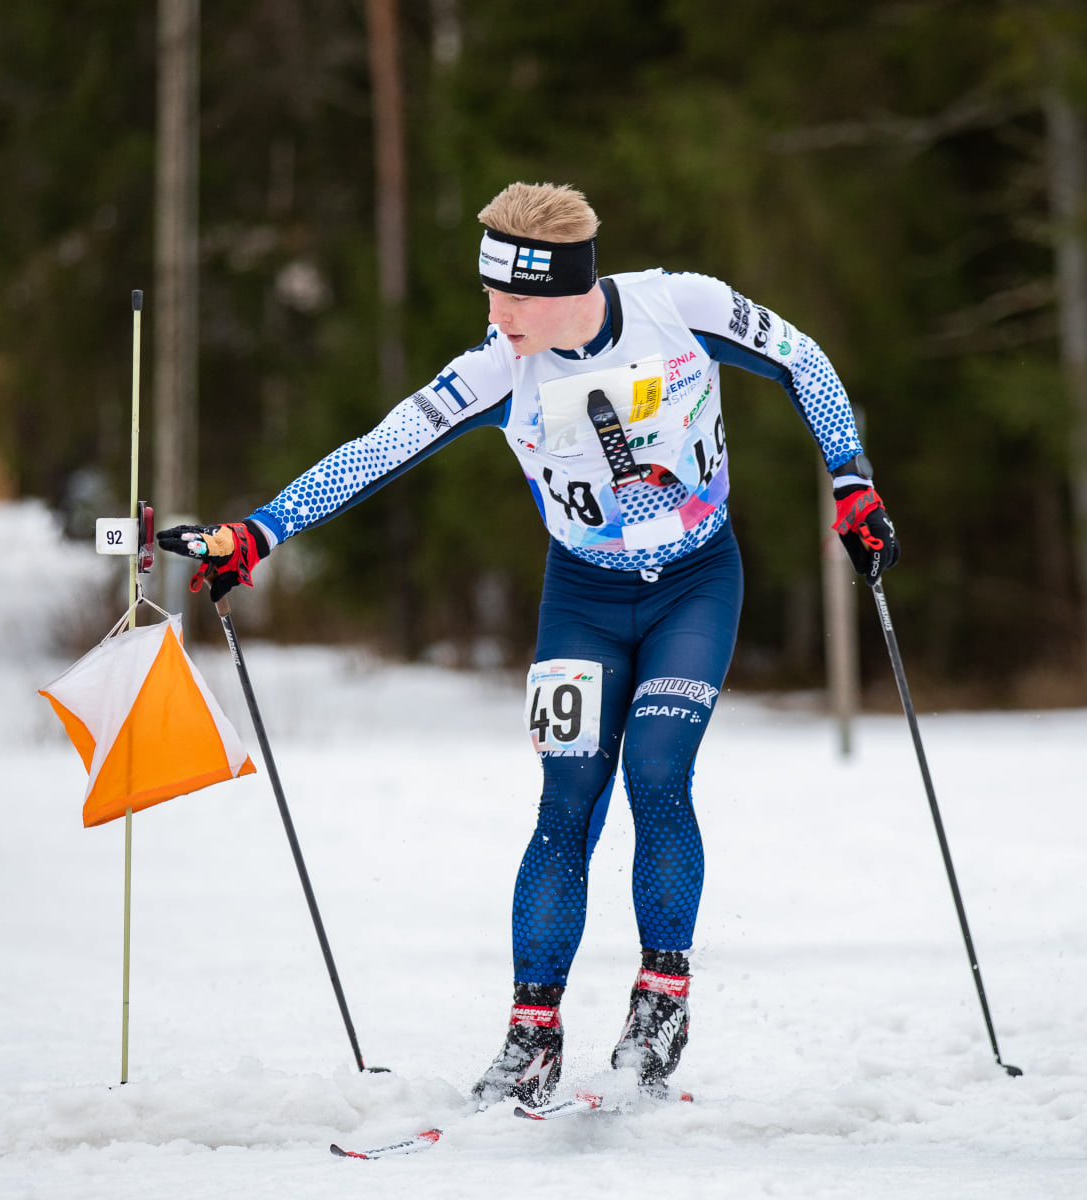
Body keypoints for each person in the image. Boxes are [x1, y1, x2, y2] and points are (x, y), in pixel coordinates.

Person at [158, 182, 897, 1107]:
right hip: (581, 598)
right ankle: (531, 1034)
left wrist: (851, 480)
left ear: (570, 287)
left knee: (659, 771)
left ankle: (660, 1003)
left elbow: (807, 362)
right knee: (568, 797)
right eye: (490, 294)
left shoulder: (682, 306)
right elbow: (381, 447)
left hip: (696, 584)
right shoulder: (497, 369)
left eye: (517, 298)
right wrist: (260, 532)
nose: (497, 316)